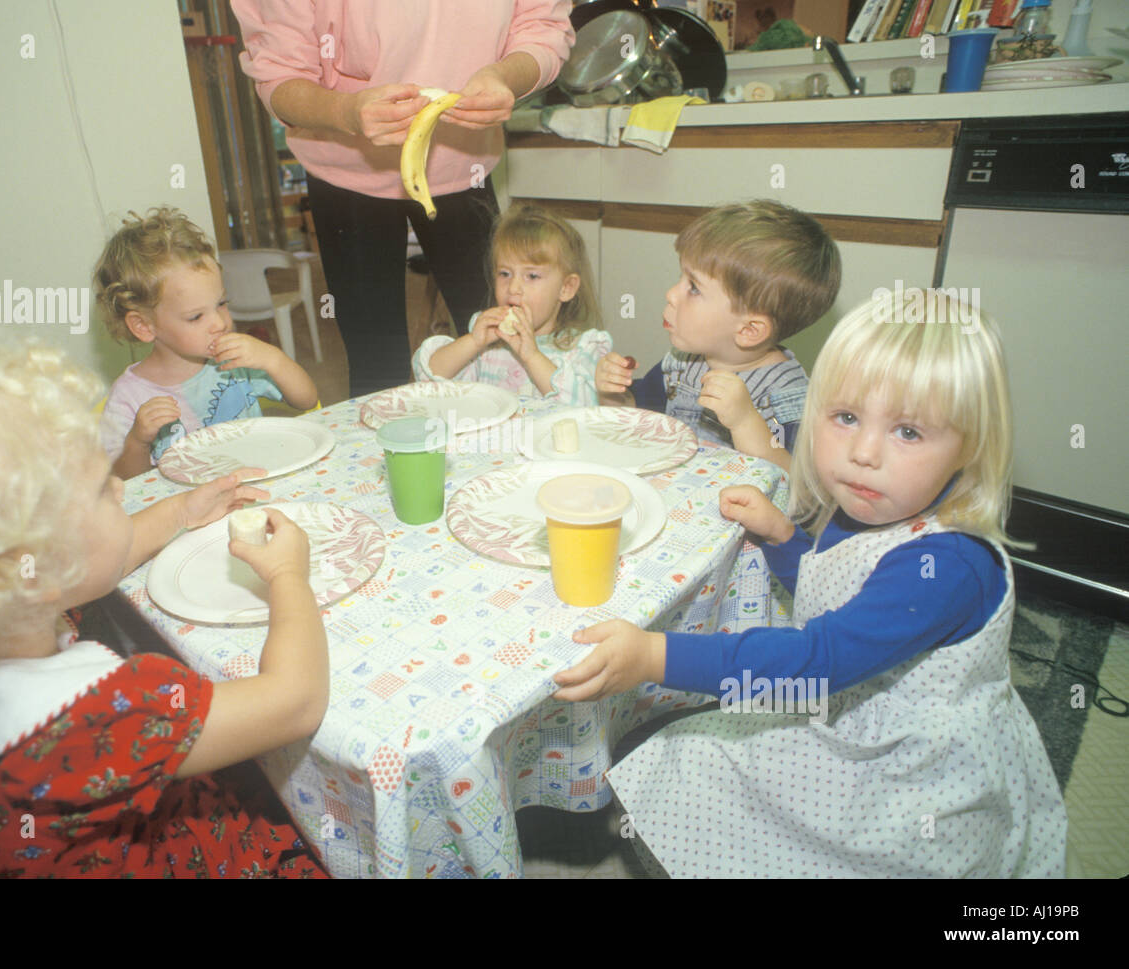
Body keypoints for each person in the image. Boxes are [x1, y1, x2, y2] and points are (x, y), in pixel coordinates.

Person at [556, 289, 1068, 877]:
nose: (864, 453)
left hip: (906, 770)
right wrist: (785, 541)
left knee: (699, 773)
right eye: (846, 418)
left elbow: (818, 657)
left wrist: (655, 654)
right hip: (846, 706)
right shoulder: (877, 504)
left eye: (908, 432)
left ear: (971, 445)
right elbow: (846, 598)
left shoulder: (949, 566)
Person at [0, 344, 330, 878]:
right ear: (34, 572)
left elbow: (89, 563)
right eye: (99, 491)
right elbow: (295, 702)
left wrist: (182, 509)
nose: (119, 485)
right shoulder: (100, 715)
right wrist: (287, 576)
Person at [231, 0, 574, 398]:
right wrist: (345, 110)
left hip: (465, 164)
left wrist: (506, 75)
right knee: (377, 363)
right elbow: (279, 72)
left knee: (503, 342)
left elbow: (542, 27)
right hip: (345, 171)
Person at [595, 200, 841, 473]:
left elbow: (798, 484)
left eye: (694, 288)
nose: (671, 294)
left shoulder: (787, 398)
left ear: (749, 331)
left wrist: (746, 421)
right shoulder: (683, 362)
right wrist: (613, 394)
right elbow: (639, 419)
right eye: (681, 277)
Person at [94, 207, 319, 479]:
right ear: (144, 326)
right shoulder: (128, 397)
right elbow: (128, 483)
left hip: (259, 483)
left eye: (222, 304)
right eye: (196, 316)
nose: (220, 323)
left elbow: (307, 400)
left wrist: (273, 359)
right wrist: (138, 441)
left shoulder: (234, 360)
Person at [411, 202, 608, 404]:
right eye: (505, 273)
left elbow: (585, 407)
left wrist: (532, 356)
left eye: (531, 276)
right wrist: (473, 341)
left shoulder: (582, 349)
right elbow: (427, 378)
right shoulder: (488, 346)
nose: (513, 287)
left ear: (566, 288)